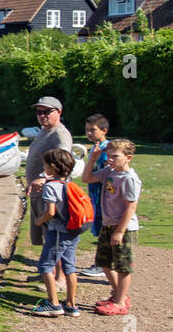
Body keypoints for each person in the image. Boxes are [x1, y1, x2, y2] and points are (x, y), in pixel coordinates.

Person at [88, 139, 142, 315]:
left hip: (123, 228)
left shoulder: (129, 179)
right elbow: (87, 178)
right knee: (104, 262)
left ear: (128, 158)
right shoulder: (108, 172)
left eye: (115, 156)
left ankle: (120, 302)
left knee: (122, 266)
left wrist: (120, 231)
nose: (110, 159)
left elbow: (131, 207)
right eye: (108, 156)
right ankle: (119, 294)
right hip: (107, 223)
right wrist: (93, 159)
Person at [28, 149, 79, 317]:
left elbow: (50, 211)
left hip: (57, 232)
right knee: (70, 266)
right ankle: (71, 304)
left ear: (52, 167)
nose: (43, 168)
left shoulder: (50, 187)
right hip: (73, 232)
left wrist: (39, 220)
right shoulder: (69, 184)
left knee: (45, 266)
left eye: (45, 165)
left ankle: (54, 303)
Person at [25, 96, 72, 249]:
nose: (42, 115)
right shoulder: (45, 131)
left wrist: (44, 178)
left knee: (52, 234)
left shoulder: (60, 134)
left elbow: (63, 162)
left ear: (59, 112)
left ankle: (54, 270)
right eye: (39, 112)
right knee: (44, 234)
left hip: (50, 191)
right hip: (39, 191)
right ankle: (48, 269)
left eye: (47, 111)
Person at [79, 114, 111, 280]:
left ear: (104, 131)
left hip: (102, 197)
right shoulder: (95, 148)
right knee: (98, 228)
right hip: (94, 195)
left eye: (93, 130)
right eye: (87, 130)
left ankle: (101, 264)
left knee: (102, 230)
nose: (89, 133)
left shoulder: (106, 150)